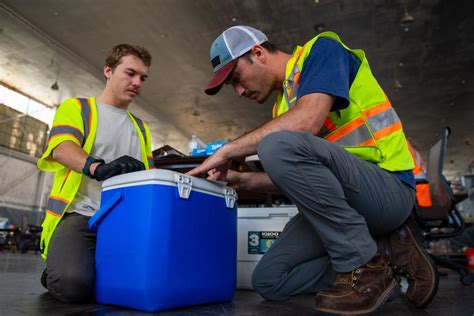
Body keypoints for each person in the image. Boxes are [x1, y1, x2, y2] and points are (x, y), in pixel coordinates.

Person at [188, 26, 438, 313]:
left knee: (274, 145)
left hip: (388, 190)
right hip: (348, 200)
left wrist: (228, 150)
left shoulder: (322, 50)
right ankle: (382, 257)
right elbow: (300, 178)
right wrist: (240, 179)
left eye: (236, 78)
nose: (239, 91)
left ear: (257, 53)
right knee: (269, 280)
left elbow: (308, 120)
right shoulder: (284, 108)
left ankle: (364, 267)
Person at [37, 44, 155, 303]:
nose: (137, 82)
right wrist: (97, 168)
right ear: (108, 71)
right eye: (130, 73)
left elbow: (151, 174)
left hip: (124, 221)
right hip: (82, 216)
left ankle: (87, 265)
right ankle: (58, 270)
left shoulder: (141, 128)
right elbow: (61, 148)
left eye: (143, 77)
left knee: (152, 279)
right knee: (72, 285)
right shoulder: (78, 108)